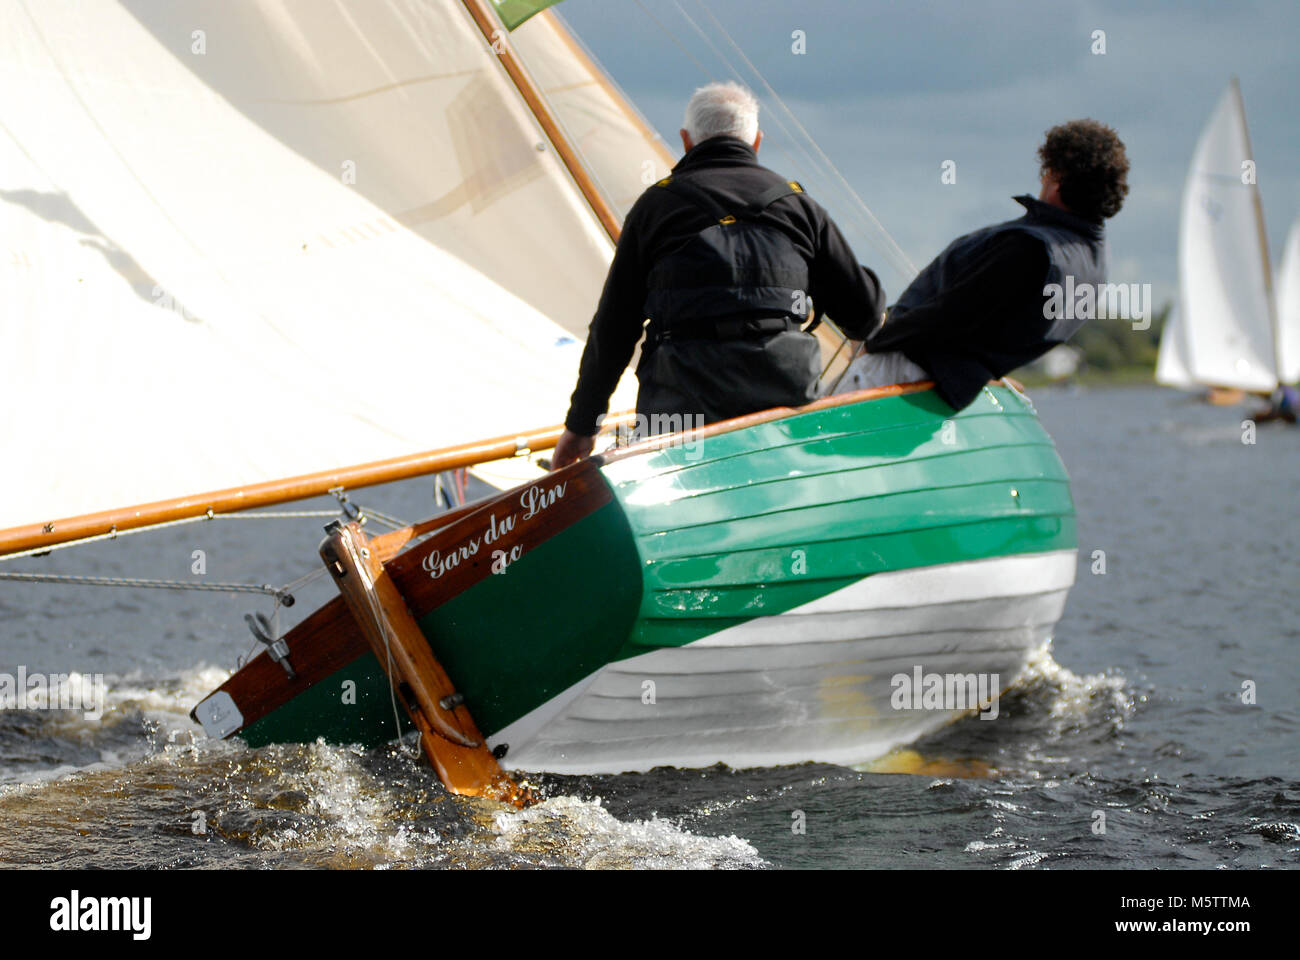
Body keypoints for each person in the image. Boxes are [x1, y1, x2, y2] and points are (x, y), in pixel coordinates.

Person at [550, 82, 886, 470]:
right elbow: (864, 317)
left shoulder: (654, 207)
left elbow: (614, 329)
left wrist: (581, 426)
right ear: (756, 142)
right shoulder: (799, 207)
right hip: (784, 407)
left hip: (677, 417)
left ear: (687, 141)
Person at [834, 119, 1130, 412]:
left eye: (1047, 170)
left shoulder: (1030, 248)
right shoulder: (1096, 261)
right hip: (954, 390)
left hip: (902, 371)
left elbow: (949, 316)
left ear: (1057, 180)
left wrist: (874, 339)